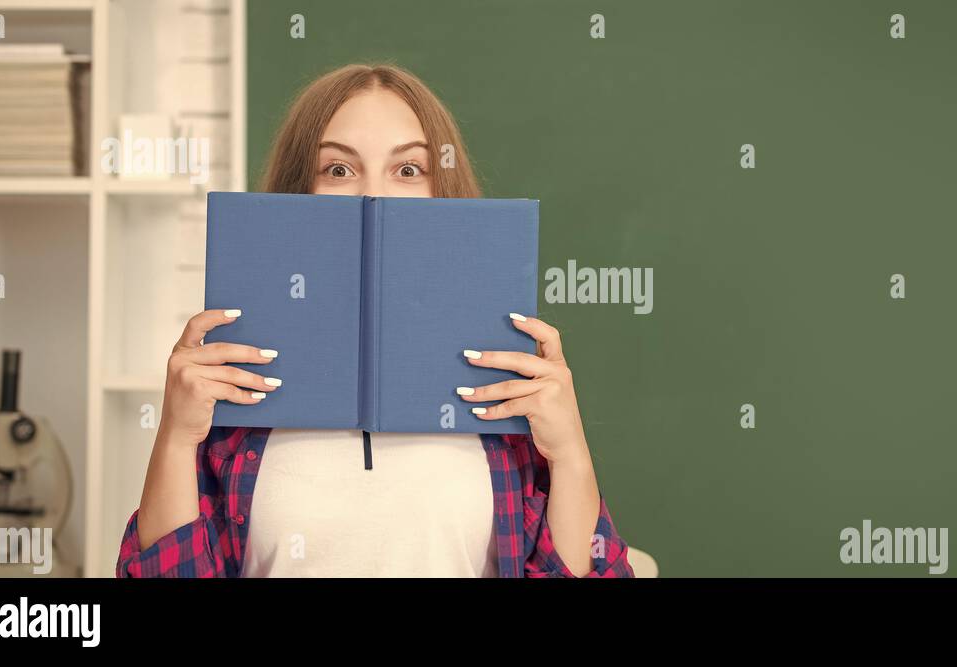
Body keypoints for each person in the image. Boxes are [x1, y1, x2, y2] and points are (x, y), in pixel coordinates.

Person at [116, 64, 632, 577]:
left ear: (442, 188)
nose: (374, 195)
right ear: (299, 190)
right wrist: (176, 436)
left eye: (408, 170)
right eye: (338, 169)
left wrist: (569, 453)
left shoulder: (503, 384)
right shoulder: (237, 385)